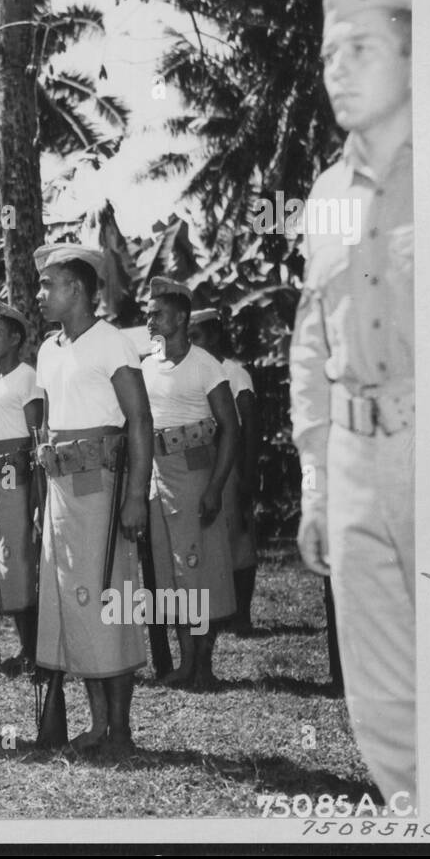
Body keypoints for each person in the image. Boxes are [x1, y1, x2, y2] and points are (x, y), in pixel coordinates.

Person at [290, 0, 414, 805]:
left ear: (414, 58)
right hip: (352, 454)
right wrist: (316, 483)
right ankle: (424, 836)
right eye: (330, 55)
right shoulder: (328, 198)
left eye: (361, 49)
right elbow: (311, 341)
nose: (339, 70)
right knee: (379, 695)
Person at [33, 246, 152, 757]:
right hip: (60, 490)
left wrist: (136, 498)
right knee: (74, 607)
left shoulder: (113, 343)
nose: (41, 295)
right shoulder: (48, 349)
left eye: (48, 284)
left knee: (108, 601)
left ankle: (121, 730)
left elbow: (140, 421)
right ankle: (98, 723)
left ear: (76, 289)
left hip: (101, 488)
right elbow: (46, 425)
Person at [142, 277, 240, 690]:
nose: (150, 321)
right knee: (170, 574)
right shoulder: (146, 367)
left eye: (157, 314)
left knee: (200, 571)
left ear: (181, 318)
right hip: (157, 477)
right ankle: (185, 662)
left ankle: (204, 663)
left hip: (196, 475)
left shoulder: (205, 364)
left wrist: (216, 487)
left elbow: (231, 428)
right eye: (148, 314)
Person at [0, 302, 43, 673]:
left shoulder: (26, 377)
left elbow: (36, 437)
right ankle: (11, 649)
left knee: (18, 562)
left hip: (16, 478)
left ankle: (33, 650)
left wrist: (30, 489)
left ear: (15, 338)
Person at [189, 307, 259, 633]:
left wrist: (247, 475)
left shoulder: (233, 372)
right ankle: (220, 611)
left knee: (238, 541)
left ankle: (242, 614)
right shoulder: (191, 370)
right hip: (204, 464)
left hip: (230, 465)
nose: (192, 343)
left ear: (215, 335)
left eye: (197, 336)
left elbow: (249, 427)